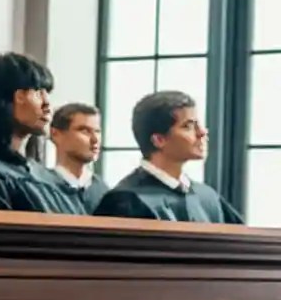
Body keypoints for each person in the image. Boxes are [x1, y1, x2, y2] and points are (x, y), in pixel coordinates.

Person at [0, 53, 85, 214]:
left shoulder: (43, 174)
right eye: (36, 91)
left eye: (46, 92)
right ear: (2, 99)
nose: (47, 104)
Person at [94, 91, 242, 224]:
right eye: (188, 126)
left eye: (199, 124)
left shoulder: (207, 197)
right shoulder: (125, 201)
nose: (202, 132)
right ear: (159, 140)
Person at [48, 103, 108, 212]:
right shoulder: (42, 188)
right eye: (84, 131)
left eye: (98, 131)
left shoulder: (105, 192)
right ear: (56, 134)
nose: (95, 139)